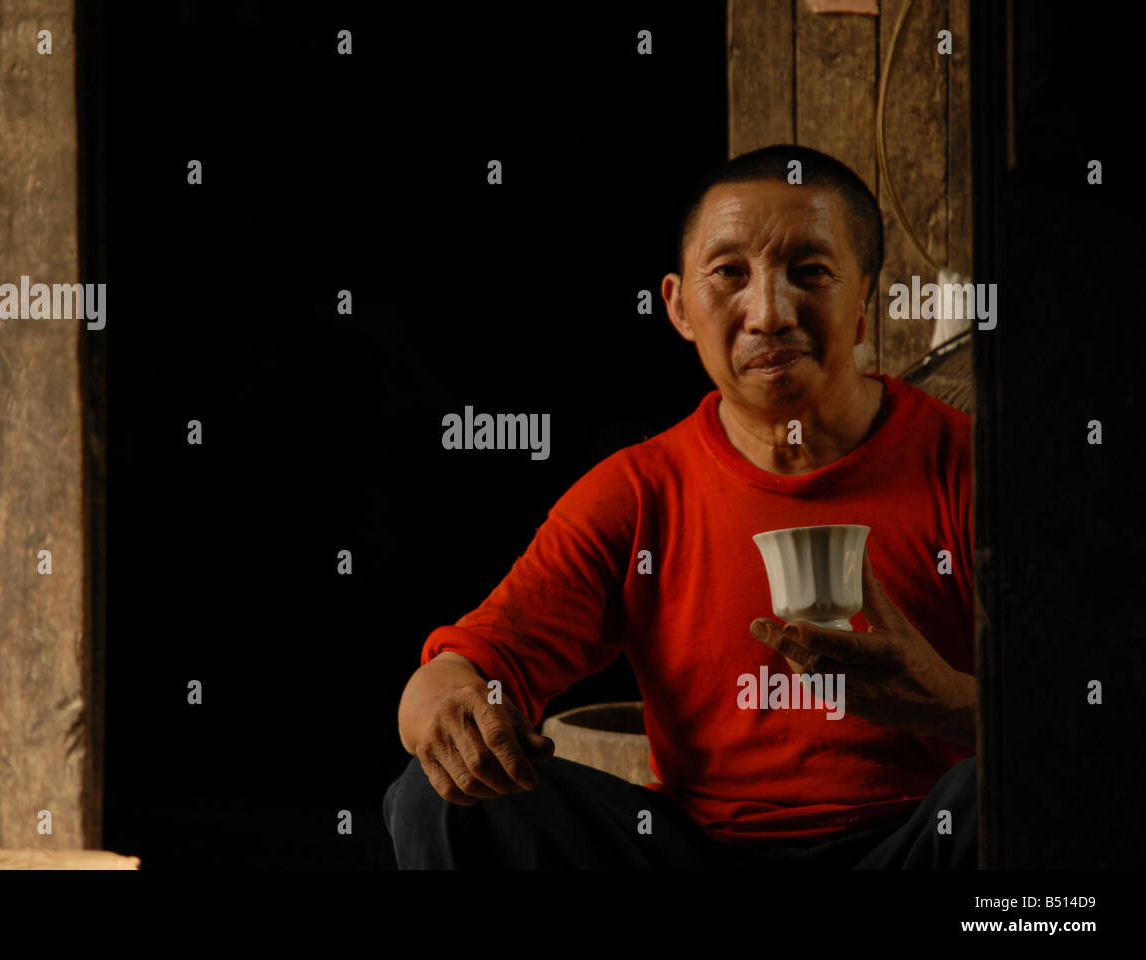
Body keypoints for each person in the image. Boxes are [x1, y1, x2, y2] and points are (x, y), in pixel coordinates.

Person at [384, 144, 978, 869]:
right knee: (437, 798)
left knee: (994, 792)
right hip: (697, 855)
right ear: (678, 306)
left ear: (865, 305)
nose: (769, 312)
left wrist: (945, 701)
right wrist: (448, 706)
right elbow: (457, 671)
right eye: (730, 274)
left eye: (811, 273)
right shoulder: (638, 492)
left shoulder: (973, 468)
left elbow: (1095, 715)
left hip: (918, 847)